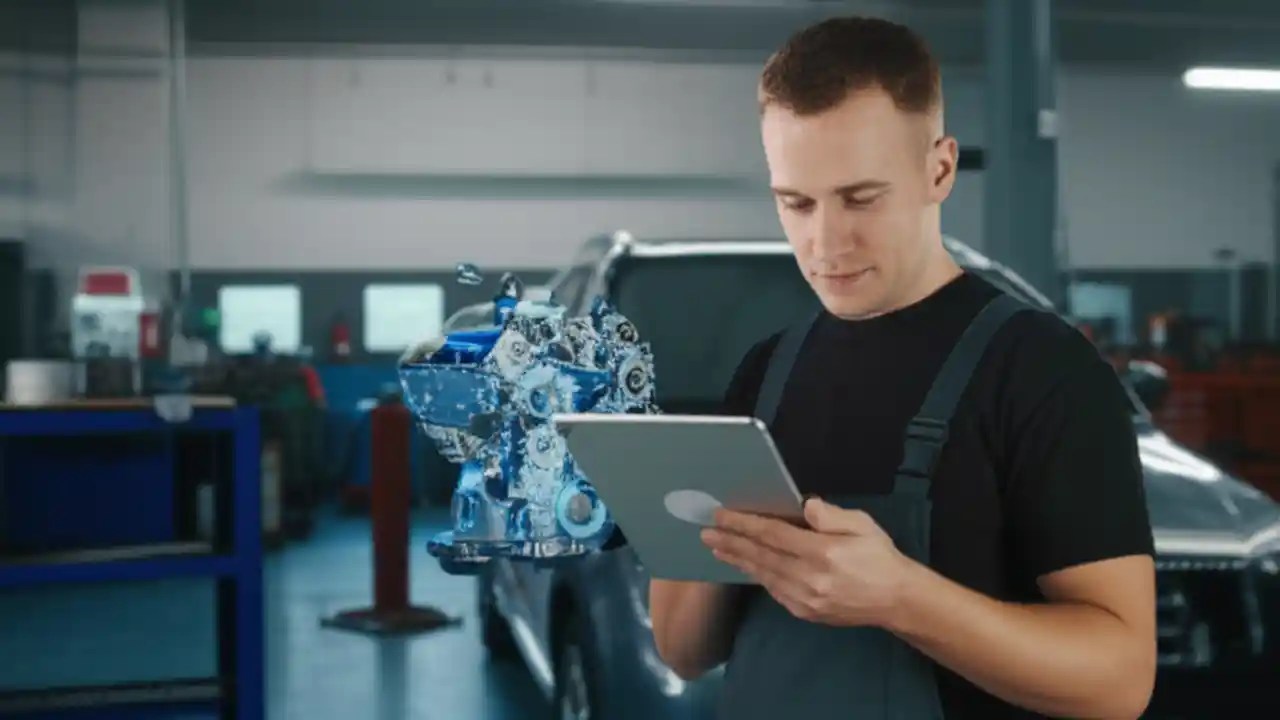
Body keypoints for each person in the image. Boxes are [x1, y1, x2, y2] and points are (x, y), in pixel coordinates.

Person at [648, 15, 1157, 720]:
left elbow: (1120, 680)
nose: (825, 241)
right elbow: (682, 651)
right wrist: (717, 541)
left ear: (938, 169)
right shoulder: (765, 373)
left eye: (861, 198)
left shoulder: (1045, 371)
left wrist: (900, 597)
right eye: (796, 203)